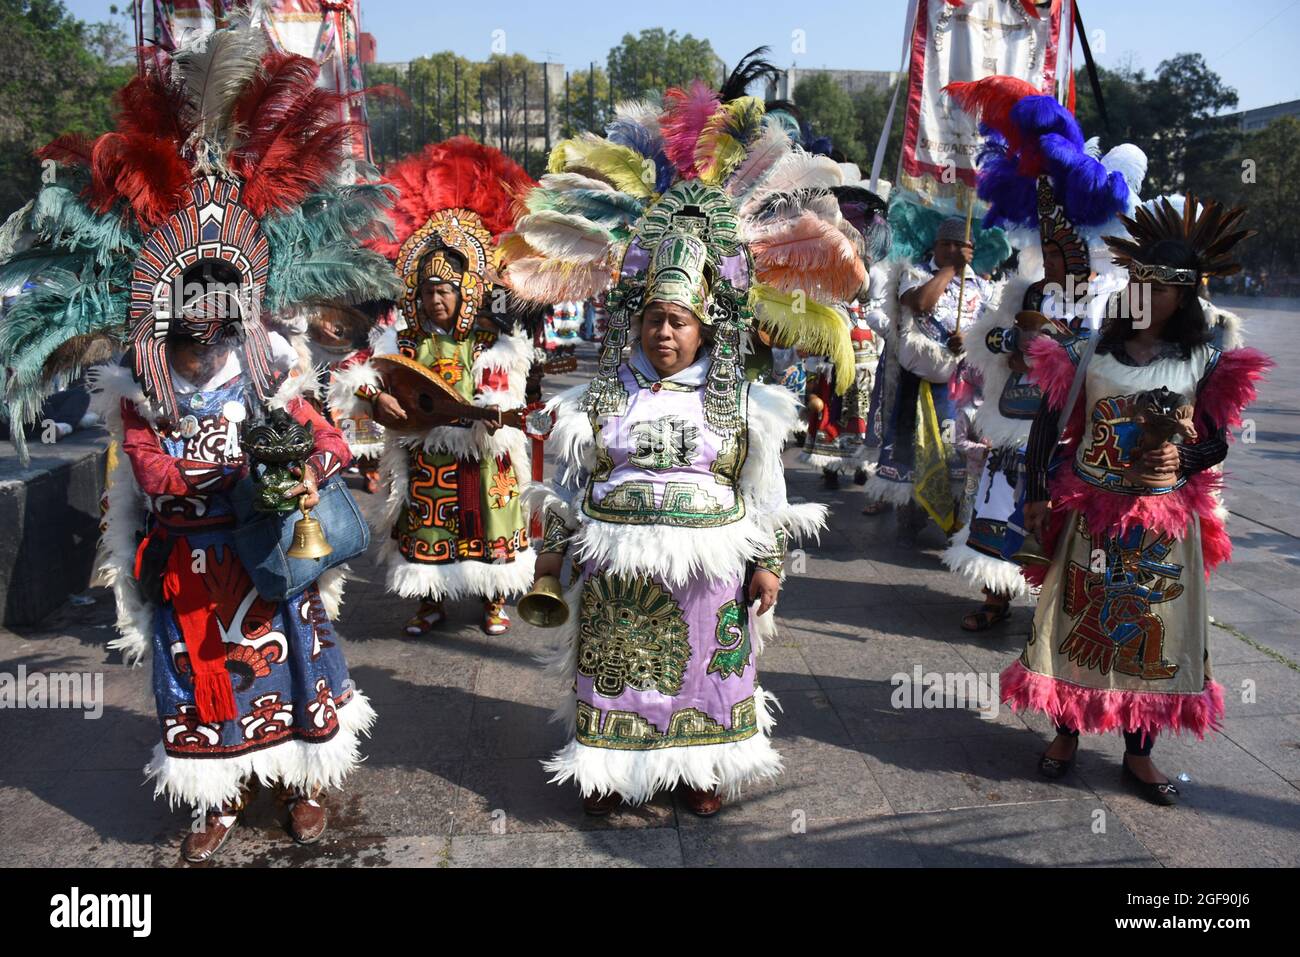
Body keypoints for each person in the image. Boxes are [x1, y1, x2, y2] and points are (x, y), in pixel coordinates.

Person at [0, 20, 397, 861]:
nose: (211, 333)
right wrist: (191, 480)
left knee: (294, 665)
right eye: (196, 316)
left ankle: (301, 781)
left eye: (226, 313)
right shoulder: (144, 392)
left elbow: (322, 438)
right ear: (164, 312)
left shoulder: (270, 370)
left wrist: (303, 469)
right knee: (200, 681)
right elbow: (148, 470)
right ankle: (213, 794)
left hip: (273, 556)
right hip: (192, 564)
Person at [509, 52, 865, 816]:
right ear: (634, 323)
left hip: (710, 562)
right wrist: (550, 547)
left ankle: (697, 768)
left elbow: (759, 489)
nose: (663, 332)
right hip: (619, 561)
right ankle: (612, 774)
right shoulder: (600, 395)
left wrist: (768, 561)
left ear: (704, 327)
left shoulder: (741, 401)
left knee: (704, 668)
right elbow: (571, 481)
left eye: (677, 321)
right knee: (621, 671)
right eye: (652, 320)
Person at [1005, 194, 1270, 805]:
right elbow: (1050, 422)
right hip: (1092, 511)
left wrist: (1182, 458)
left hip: (1161, 524)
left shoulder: (1203, 359)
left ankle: (1139, 754)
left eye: (1162, 289)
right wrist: (1039, 494)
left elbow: (1216, 443)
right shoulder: (1090, 348)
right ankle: (1066, 734)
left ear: (1185, 299)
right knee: (1078, 621)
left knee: (1153, 630)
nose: (1147, 298)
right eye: (1139, 285)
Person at [942, 77, 1148, 631]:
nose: (1056, 262)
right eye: (1050, 252)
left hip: (1080, 431)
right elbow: (984, 337)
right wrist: (1014, 345)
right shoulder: (1031, 290)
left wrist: (1068, 348)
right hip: (1018, 421)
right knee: (996, 511)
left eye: (1066, 252)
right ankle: (994, 598)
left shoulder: (1116, 299)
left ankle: (1057, 615)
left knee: (1066, 530)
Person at [334, 139, 537, 637]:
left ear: (465, 291)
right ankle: (429, 603)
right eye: (426, 291)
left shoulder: (492, 340)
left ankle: (494, 598)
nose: (435, 298)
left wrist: (493, 409)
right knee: (426, 527)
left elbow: (505, 388)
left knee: (490, 520)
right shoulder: (400, 340)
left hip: (482, 452)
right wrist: (375, 397)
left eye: (443, 290)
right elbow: (358, 379)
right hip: (424, 457)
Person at [865, 216, 996, 542]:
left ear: (972, 250)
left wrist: (967, 339)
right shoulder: (913, 273)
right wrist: (950, 269)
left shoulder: (982, 287)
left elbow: (990, 332)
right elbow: (920, 303)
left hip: (960, 388)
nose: (952, 249)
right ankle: (911, 509)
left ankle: (954, 517)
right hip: (916, 381)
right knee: (915, 454)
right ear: (936, 246)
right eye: (947, 244)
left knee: (955, 454)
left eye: (960, 245)